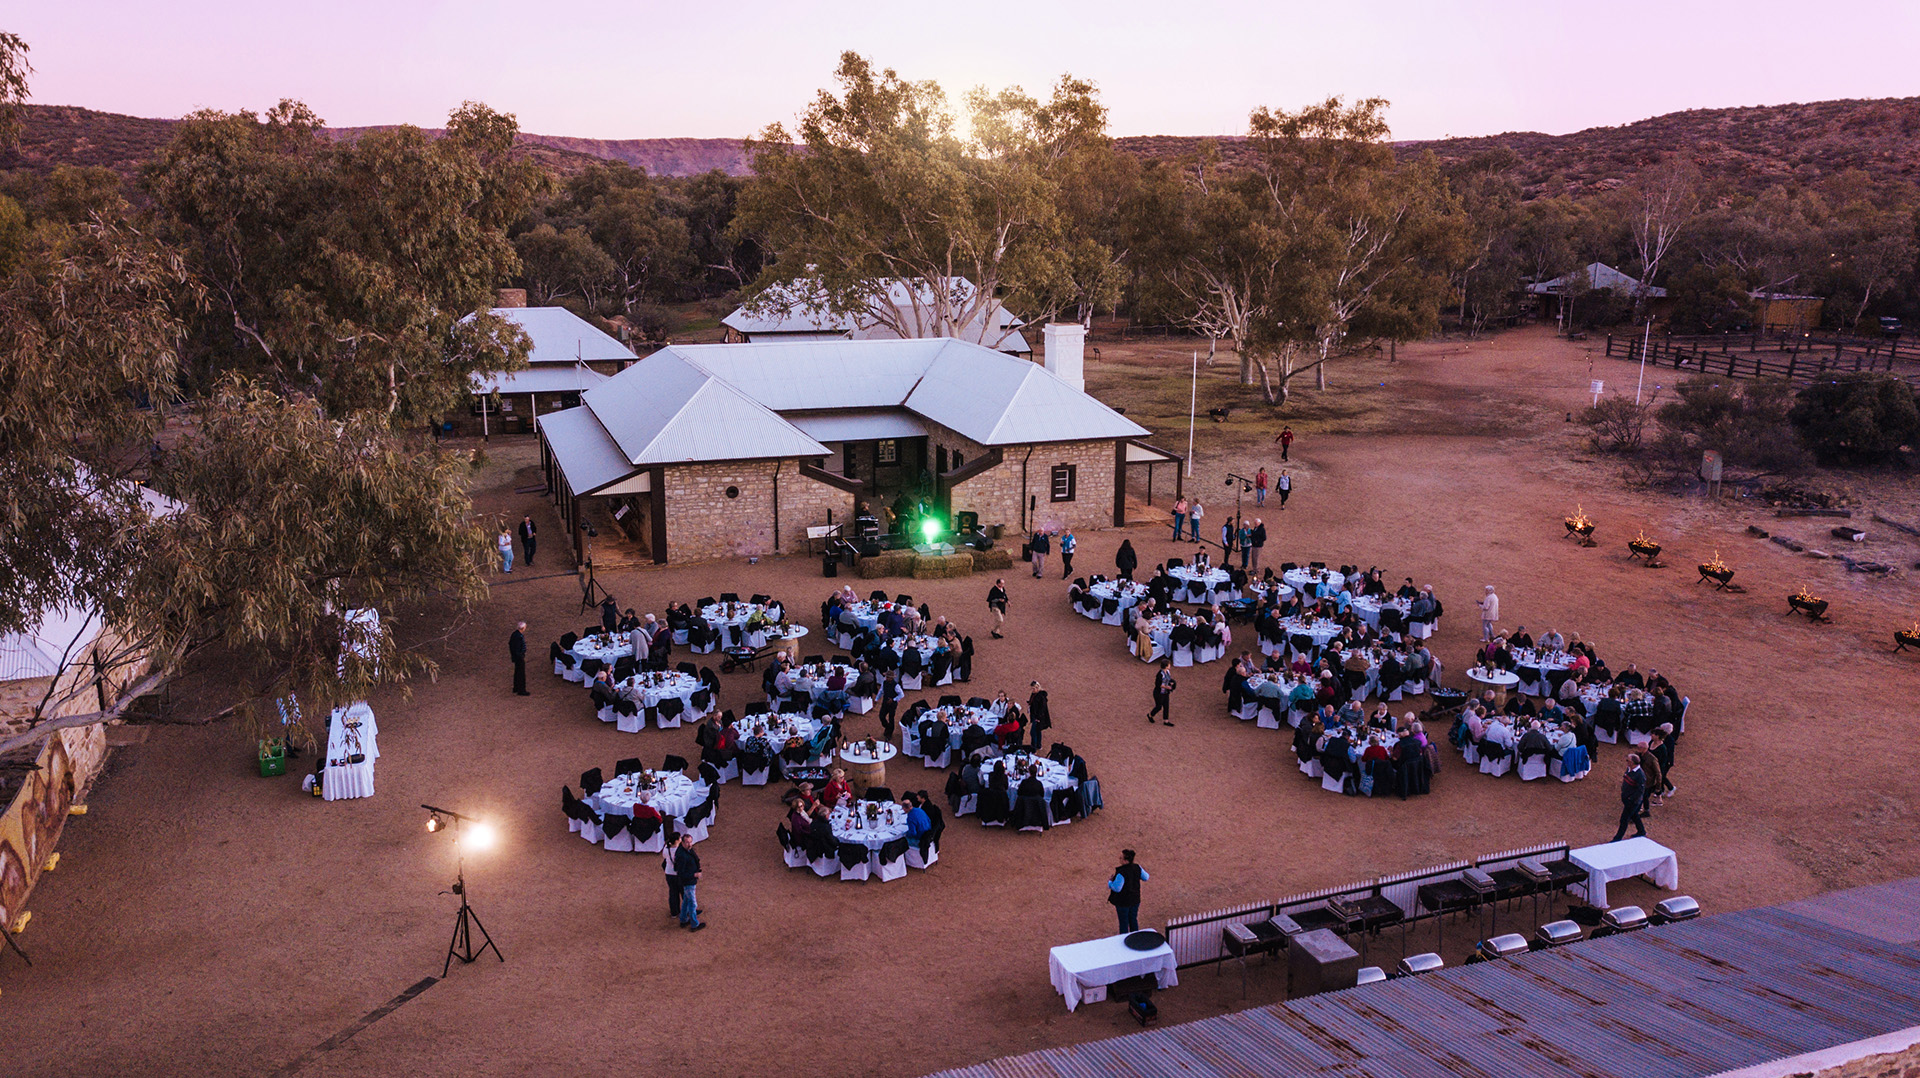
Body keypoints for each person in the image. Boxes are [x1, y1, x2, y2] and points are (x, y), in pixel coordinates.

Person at [1108, 849, 1148, 934]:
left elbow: (1117, 888)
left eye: (1121, 858)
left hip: (1123, 902)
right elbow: (1146, 877)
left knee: (1123, 923)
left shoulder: (1121, 872)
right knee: (1133, 919)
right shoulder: (1137, 867)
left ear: (1126, 861)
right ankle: (1136, 938)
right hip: (1135, 899)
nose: (1119, 859)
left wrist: (1110, 883)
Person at [1611, 755, 1648, 842]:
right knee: (1634, 815)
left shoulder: (1640, 775)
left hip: (1632, 801)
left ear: (1632, 763)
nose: (1626, 762)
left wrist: (1631, 799)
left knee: (1624, 819)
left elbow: (1640, 791)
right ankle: (1641, 831)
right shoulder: (1629, 769)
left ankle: (1617, 838)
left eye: (1627, 760)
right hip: (1627, 798)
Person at [673, 835, 705, 931]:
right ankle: (694, 924)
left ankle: (683, 920)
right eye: (687, 842)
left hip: (688, 881)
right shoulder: (682, 855)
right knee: (692, 904)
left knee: (686, 901)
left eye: (690, 842)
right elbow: (681, 873)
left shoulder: (685, 850)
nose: (689, 844)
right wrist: (694, 874)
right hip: (688, 882)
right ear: (682, 842)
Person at [660, 826, 682, 919]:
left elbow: (664, 857)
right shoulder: (679, 851)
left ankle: (674, 912)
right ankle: (687, 911)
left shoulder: (666, 848)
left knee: (673, 893)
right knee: (684, 893)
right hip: (679, 874)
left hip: (669, 873)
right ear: (677, 840)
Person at [1147, 658, 1176, 726]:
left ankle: (1166, 721)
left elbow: (1168, 680)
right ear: (1166, 666)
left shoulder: (1168, 672)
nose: (1170, 665)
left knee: (1166, 706)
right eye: (1169, 664)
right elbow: (1158, 684)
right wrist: (1167, 687)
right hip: (1159, 693)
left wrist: (1171, 683)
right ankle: (1150, 715)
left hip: (1165, 692)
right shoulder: (1160, 674)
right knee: (1159, 707)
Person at [1027, 680, 1051, 750]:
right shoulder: (1034, 694)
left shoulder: (1041, 697)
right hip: (1035, 716)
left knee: (1033, 732)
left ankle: (1033, 747)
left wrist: (1038, 718)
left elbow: (1042, 709)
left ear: (1037, 688)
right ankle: (1038, 745)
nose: (1032, 690)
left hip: (1037, 717)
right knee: (1038, 731)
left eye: (1034, 688)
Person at [508, 621, 529, 696]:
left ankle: (516, 687)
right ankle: (521, 690)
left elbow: (510, 644)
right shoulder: (519, 636)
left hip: (516, 657)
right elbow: (517, 648)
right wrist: (520, 655)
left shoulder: (514, 634)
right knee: (521, 674)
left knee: (517, 672)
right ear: (523, 628)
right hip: (519, 657)